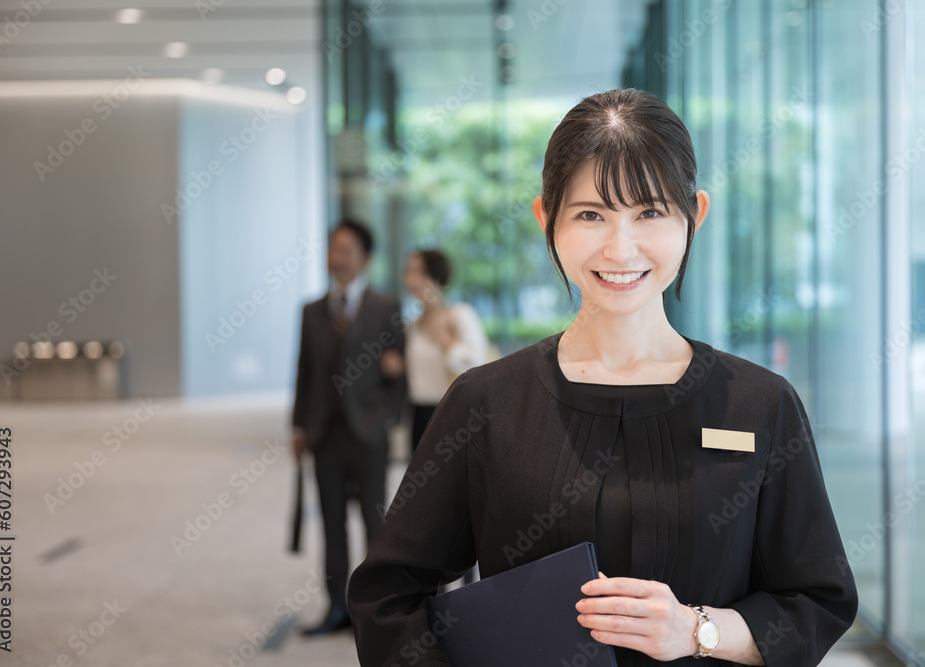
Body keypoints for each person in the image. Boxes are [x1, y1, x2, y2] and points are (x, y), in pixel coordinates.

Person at [347, 89, 858, 665]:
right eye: (591, 214)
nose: (621, 248)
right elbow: (387, 597)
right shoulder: (486, 403)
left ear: (696, 215)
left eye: (650, 212)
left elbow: (817, 602)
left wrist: (696, 630)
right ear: (547, 218)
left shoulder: (759, 405)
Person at [291, 219, 405, 636]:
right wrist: (299, 427)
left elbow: (399, 370)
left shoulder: (384, 305)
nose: (335, 257)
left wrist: (388, 420)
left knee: (376, 524)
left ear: (365, 258)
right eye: (332, 249)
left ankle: (375, 612)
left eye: (345, 250)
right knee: (332, 525)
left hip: (368, 434)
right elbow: (303, 372)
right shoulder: (312, 310)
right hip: (325, 435)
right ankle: (336, 609)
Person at [402, 248, 489, 451]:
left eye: (418, 272)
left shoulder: (460, 314)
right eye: (409, 272)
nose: (410, 279)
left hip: (453, 413)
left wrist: (441, 335)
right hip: (419, 415)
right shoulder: (412, 326)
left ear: (436, 277)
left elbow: (476, 363)